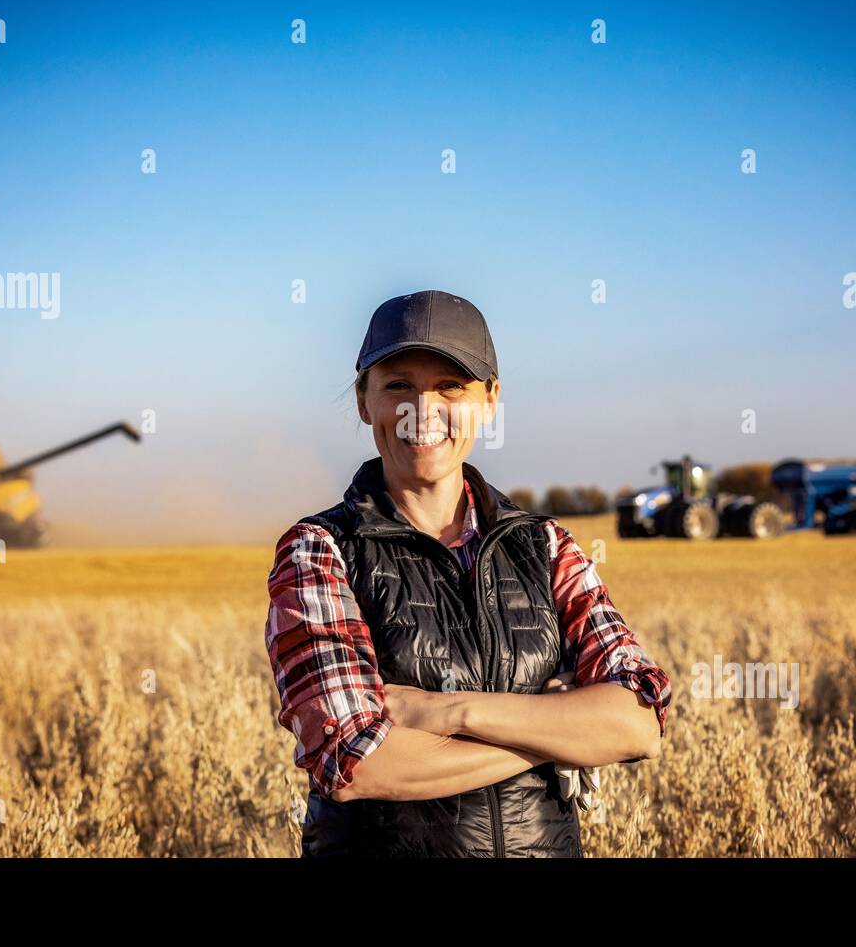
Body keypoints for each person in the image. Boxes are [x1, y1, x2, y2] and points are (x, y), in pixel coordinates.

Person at [264, 289, 672, 857]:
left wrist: (452, 711)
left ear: (490, 400)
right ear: (364, 400)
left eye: (450, 387)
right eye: (398, 385)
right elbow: (356, 762)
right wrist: (557, 737)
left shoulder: (547, 546)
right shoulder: (319, 552)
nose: (422, 412)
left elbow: (638, 723)